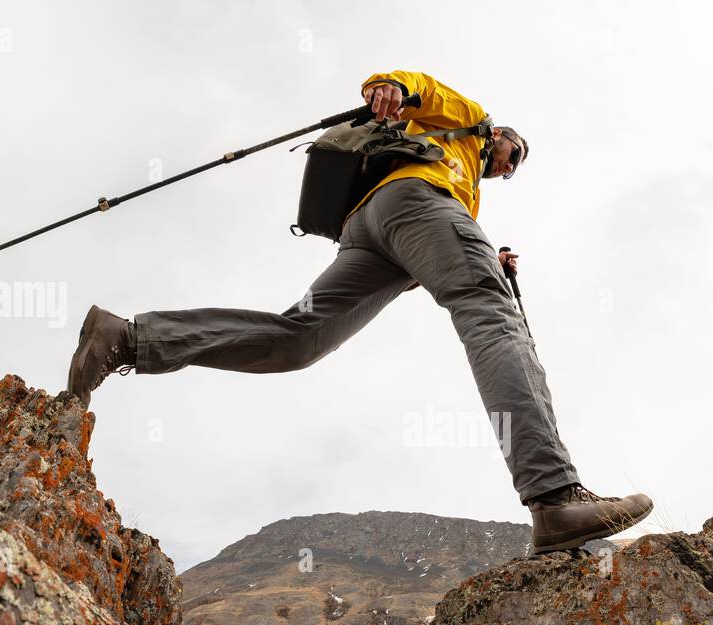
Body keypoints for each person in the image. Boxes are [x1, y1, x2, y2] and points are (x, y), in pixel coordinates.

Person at [66, 70, 651, 553]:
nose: (510, 166)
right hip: (416, 207)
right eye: (513, 153)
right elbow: (422, 87)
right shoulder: (471, 121)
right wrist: (392, 85)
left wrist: (484, 249)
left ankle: (127, 338)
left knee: (298, 339)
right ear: (500, 134)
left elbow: (436, 234)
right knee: (491, 312)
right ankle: (555, 499)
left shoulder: (461, 178)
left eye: (515, 164)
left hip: (370, 231)